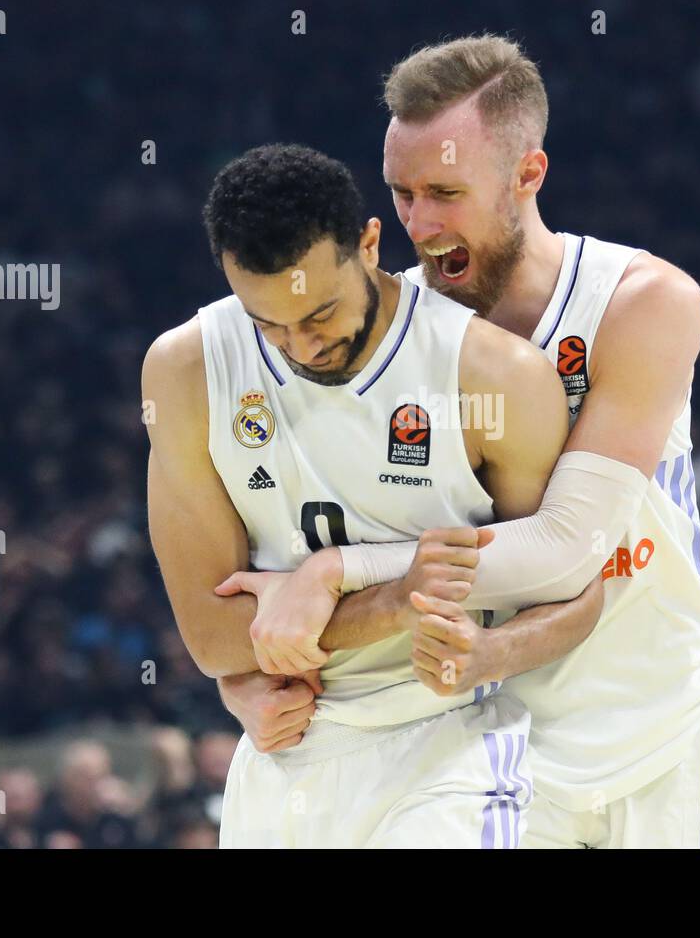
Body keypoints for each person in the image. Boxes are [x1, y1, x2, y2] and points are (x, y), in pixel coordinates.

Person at [220, 35, 700, 848]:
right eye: (401, 194)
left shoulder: (643, 302)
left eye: (445, 192)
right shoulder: (391, 329)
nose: (420, 225)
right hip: (486, 735)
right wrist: (242, 680)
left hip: (657, 712)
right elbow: (289, 543)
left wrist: (337, 572)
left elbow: (569, 545)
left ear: (528, 175)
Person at [143, 143, 601, 847]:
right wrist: (385, 605)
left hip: (449, 744)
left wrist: (492, 652)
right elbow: (210, 639)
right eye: (269, 323)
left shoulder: (491, 374)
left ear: (369, 244)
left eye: (319, 314)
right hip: (285, 748)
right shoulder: (186, 369)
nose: (299, 346)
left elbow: (576, 591)